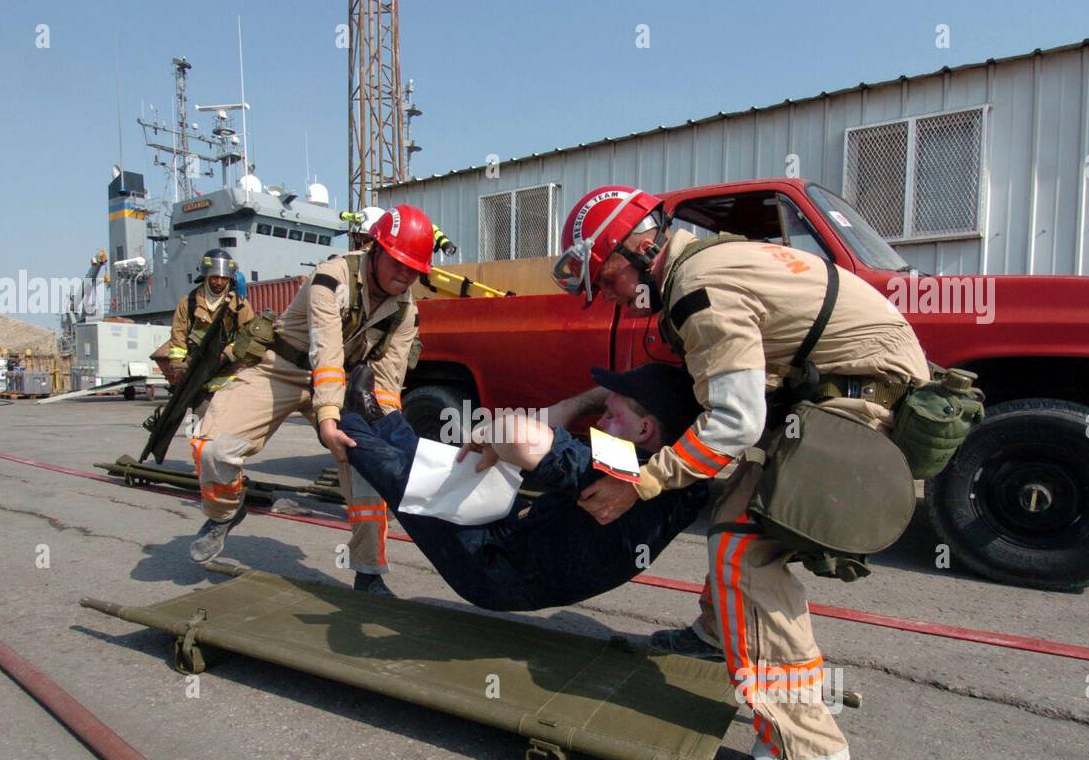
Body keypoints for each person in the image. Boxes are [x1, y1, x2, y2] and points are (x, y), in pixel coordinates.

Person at [552, 185, 931, 760]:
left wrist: (638, 483)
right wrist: (581, 414)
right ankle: (716, 633)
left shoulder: (699, 290)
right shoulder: (703, 264)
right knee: (734, 495)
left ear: (640, 247)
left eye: (609, 277)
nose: (610, 295)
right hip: (842, 390)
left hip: (864, 404)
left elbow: (732, 421)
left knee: (742, 548)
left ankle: (807, 759)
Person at [186, 206, 434, 597]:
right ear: (375, 249)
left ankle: (368, 572)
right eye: (397, 262)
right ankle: (225, 512)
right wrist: (328, 421)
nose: (404, 275)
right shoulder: (332, 277)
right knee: (213, 447)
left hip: (343, 384)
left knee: (371, 471)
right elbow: (326, 349)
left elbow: (387, 383)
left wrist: (390, 437)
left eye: (413, 269)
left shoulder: (405, 310)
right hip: (283, 369)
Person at [337, 363, 711, 612]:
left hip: (491, 568)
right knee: (446, 467)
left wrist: (491, 433)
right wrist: (581, 404)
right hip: (522, 537)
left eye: (612, 415)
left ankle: (345, 419)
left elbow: (517, 436)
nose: (599, 421)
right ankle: (378, 419)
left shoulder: (619, 472)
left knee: (404, 479)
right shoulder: (682, 477)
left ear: (645, 429)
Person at [164, 249, 254, 392]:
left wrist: (227, 354)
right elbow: (178, 335)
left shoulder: (239, 304)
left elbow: (249, 336)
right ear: (205, 276)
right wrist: (178, 365)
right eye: (214, 277)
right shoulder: (188, 302)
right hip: (194, 375)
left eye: (224, 278)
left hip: (228, 377)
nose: (219, 282)